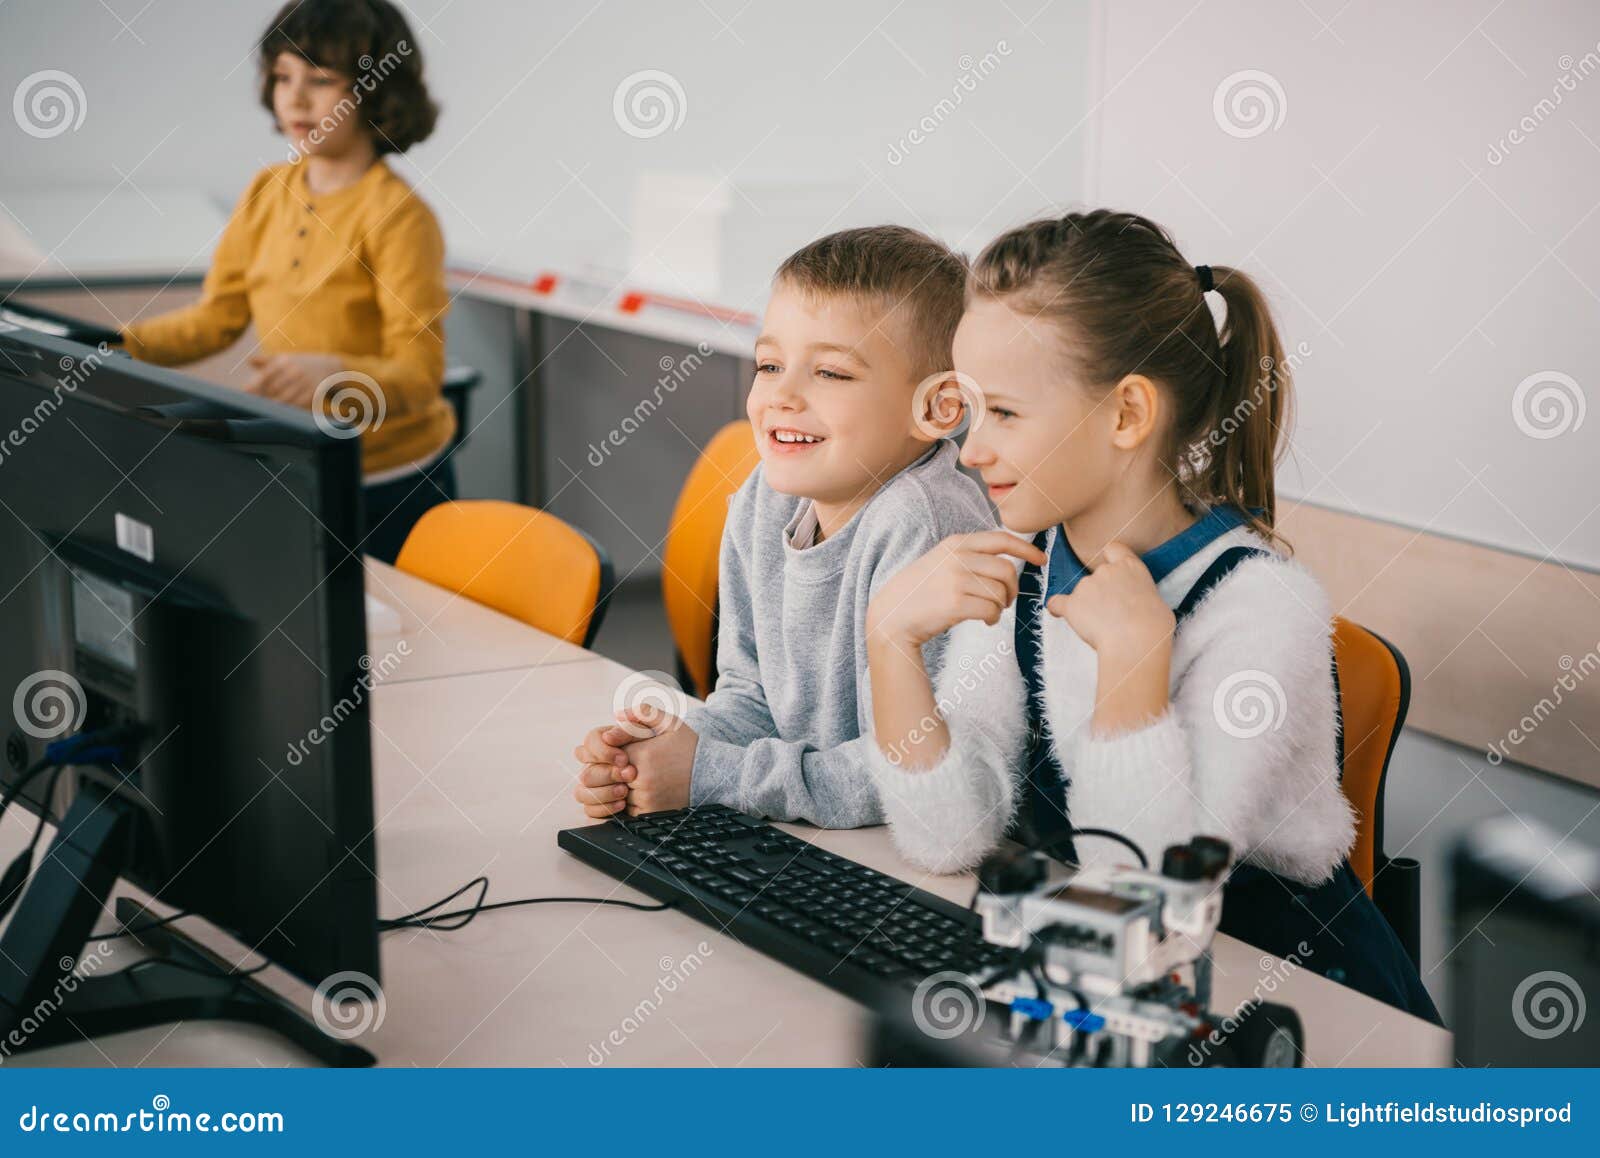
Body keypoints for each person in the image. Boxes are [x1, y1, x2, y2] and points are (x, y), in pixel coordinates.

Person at [864, 210, 1441, 1022]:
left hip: (1284, 994)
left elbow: (1158, 908)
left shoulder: (1261, 608)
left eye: (1006, 414)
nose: (969, 450)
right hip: (1106, 970)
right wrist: (889, 643)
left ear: (1129, 415)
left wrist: (1132, 665)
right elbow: (947, 840)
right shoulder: (1019, 562)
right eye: (969, 409)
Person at [573, 226, 994, 827]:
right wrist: (660, 752)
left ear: (938, 408)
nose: (782, 396)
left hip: (905, 862)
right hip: (817, 838)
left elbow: (908, 774)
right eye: (769, 364)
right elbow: (751, 700)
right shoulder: (763, 499)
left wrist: (710, 774)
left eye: (832, 373)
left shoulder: (928, 527)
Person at [121, 0, 453, 563]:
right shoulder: (266, 190)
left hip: (389, 477)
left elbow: (420, 374)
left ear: (376, 90)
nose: (295, 98)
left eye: (320, 79)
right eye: (282, 76)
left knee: (395, 640)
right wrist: (112, 349)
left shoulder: (399, 216)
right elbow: (217, 318)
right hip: (302, 455)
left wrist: (337, 375)